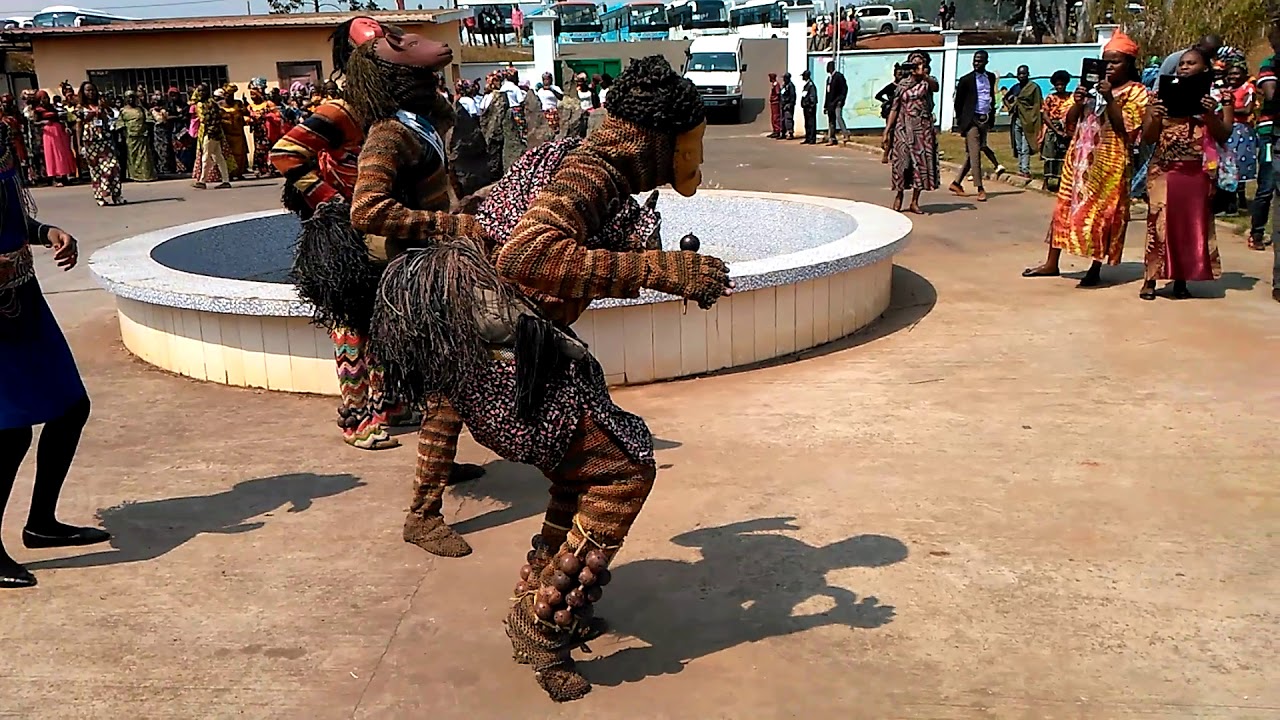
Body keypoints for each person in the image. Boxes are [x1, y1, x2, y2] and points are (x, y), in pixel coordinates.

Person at [366, 54, 730, 703]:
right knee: (625, 469)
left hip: (495, 349)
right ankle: (540, 625)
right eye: (683, 145)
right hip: (507, 367)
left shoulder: (580, 158)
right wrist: (661, 270)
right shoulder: (592, 169)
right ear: (652, 139)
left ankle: (546, 597)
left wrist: (647, 260)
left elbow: (500, 226)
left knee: (581, 472)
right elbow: (528, 254)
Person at [269, 17, 440, 454]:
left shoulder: (392, 113)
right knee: (351, 325)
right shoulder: (341, 111)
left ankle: (389, 404)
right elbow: (285, 153)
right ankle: (356, 417)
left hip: (383, 227)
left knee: (386, 319)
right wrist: (329, 201)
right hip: (348, 233)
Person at [0, 121, 110, 588]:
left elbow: (10, 218)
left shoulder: (0, 141)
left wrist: (46, 231)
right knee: (9, 433)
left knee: (71, 407)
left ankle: (41, 523)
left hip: (22, 301)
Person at [1023, 31, 1148, 286]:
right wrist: (1079, 102)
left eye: (1116, 61)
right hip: (1078, 157)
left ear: (1129, 64)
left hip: (1109, 163)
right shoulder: (1090, 89)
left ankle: (1095, 266)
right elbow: (1069, 121)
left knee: (1102, 215)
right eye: (1106, 61)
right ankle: (1051, 262)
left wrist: (1110, 97)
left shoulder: (1138, 93)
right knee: (1063, 209)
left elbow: (1126, 127)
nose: (1110, 66)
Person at [1139, 48, 1227, 300]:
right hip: (1164, 169)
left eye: (1191, 63)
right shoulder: (1158, 96)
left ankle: (1181, 278)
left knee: (1188, 224)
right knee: (1158, 223)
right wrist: (1154, 117)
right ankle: (1150, 280)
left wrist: (1209, 114)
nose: (1184, 67)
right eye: (1181, 64)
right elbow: (1147, 138)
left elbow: (1223, 135)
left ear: (1205, 69)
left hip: (1196, 171)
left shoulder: (1214, 99)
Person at [883, 51, 940, 214]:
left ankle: (915, 200)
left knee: (920, 164)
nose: (916, 66)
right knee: (902, 163)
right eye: (913, 63)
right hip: (903, 126)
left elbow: (935, 88)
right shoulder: (902, 84)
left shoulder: (928, 82)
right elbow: (895, 107)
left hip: (922, 127)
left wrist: (924, 75)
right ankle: (899, 194)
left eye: (919, 63)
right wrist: (887, 130)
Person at [951, 50, 997, 201]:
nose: (977, 63)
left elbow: (991, 98)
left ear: (986, 62)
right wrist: (961, 122)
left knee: (972, 154)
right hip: (971, 121)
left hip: (985, 119)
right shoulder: (966, 80)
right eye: (975, 61)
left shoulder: (990, 77)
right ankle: (980, 188)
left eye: (980, 61)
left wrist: (991, 119)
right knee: (976, 154)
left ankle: (956, 183)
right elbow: (958, 103)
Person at [1216, 51, 1256, 216]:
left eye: (1237, 73)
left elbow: (1248, 109)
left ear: (1244, 74)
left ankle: (1236, 204)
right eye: (1230, 73)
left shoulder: (1248, 88)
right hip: (1229, 130)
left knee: (1238, 166)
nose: (1233, 76)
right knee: (1227, 167)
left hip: (1241, 131)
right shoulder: (1227, 89)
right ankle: (1231, 203)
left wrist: (1228, 109)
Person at [75, 82, 124, 207]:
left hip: (105, 139)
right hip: (90, 141)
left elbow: (112, 116)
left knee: (113, 166)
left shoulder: (101, 105)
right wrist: (79, 145)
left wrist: (105, 107)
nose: (90, 93)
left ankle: (114, 193)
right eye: (87, 90)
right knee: (95, 170)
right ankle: (99, 197)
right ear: (83, 92)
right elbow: (78, 126)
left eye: (92, 90)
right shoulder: (80, 108)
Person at [1002, 65, 1042, 179]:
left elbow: (1037, 104)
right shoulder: (1015, 87)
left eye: (1024, 74)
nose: (1021, 76)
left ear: (1028, 74)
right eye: (1019, 74)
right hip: (1017, 119)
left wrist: (1035, 118)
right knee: (1018, 146)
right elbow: (1006, 98)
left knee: (1025, 147)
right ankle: (1020, 168)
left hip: (1028, 121)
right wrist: (1010, 107)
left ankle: (1025, 170)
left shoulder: (1033, 88)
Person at [30, 91, 74, 187]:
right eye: (43, 98)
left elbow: (59, 118)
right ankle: (54, 177)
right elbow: (34, 122)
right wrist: (44, 122)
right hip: (48, 133)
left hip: (58, 131)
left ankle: (64, 175)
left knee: (62, 153)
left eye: (47, 97)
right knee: (52, 155)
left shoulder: (52, 107)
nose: (46, 99)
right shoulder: (38, 110)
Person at [1039, 70, 1073, 192]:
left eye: (1062, 84)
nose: (1060, 87)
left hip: (1066, 128)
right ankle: (1046, 181)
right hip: (1052, 129)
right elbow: (1045, 116)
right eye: (1057, 85)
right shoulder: (1050, 98)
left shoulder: (1070, 98)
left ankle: (1061, 182)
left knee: (1063, 157)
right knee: (1049, 156)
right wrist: (1055, 130)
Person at [192, 86, 231, 190]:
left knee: (206, 156)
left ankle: (202, 181)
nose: (200, 93)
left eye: (202, 91)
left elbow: (203, 119)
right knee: (219, 157)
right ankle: (225, 180)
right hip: (216, 132)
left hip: (208, 132)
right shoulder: (213, 102)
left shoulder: (201, 104)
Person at [246, 78, 282, 178]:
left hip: (268, 132)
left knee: (270, 149)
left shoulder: (268, 104)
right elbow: (245, 116)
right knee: (259, 151)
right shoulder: (250, 107)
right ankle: (260, 169)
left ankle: (272, 169)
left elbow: (278, 116)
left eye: (254, 94)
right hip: (257, 132)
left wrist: (267, 116)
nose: (252, 96)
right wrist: (249, 119)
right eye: (251, 94)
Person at [118, 92, 156, 182]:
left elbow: (149, 120)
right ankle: (134, 176)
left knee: (144, 157)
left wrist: (148, 130)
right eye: (128, 98)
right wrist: (121, 135)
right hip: (130, 137)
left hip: (142, 136)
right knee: (132, 158)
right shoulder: (123, 111)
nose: (130, 100)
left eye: (132, 97)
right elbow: (120, 124)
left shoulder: (141, 109)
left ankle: (146, 176)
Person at [1158, 34, 1223, 77]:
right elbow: (1158, 84)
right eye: (1181, 64)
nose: (1184, 67)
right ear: (1198, 46)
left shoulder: (1216, 60)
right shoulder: (1175, 58)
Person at [824, 60, 847, 145]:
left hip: (837, 102)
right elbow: (827, 93)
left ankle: (845, 134)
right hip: (830, 103)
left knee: (838, 117)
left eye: (828, 67)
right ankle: (832, 138)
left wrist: (841, 100)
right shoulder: (829, 79)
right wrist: (825, 105)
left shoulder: (839, 76)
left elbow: (844, 89)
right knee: (831, 120)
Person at [800, 69, 818, 144]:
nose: (802, 77)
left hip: (810, 107)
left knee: (811, 123)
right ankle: (808, 137)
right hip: (806, 107)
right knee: (807, 123)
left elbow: (812, 97)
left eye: (803, 76)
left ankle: (812, 138)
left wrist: (811, 106)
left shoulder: (811, 85)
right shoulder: (806, 85)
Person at [780, 72, 796, 140]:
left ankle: (790, 132)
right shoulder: (784, 85)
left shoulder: (791, 86)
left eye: (784, 78)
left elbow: (792, 96)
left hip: (788, 105)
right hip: (783, 105)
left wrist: (790, 104)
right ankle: (783, 132)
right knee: (783, 119)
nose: (783, 79)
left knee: (788, 119)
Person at [767, 72, 782, 138]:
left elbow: (778, 93)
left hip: (775, 102)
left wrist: (777, 100)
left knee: (776, 117)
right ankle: (775, 130)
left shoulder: (776, 84)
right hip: (773, 103)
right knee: (773, 117)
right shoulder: (774, 84)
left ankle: (777, 130)